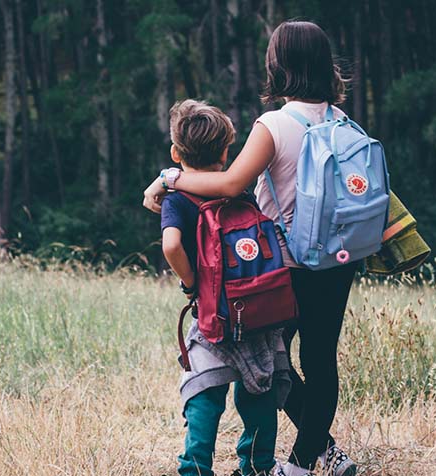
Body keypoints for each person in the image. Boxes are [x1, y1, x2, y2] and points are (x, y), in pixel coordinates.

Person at [146, 21, 360, 476]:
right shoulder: (344, 122)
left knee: (268, 366)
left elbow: (228, 183)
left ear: (278, 66)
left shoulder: (275, 125)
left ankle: (290, 458)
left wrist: (169, 178)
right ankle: (313, 457)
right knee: (320, 362)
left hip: (279, 266)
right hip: (339, 261)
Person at [160, 99, 292, 476]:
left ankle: (196, 466)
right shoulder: (236, 192)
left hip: (213, 315)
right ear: (225, 152)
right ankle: (256, 465)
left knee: (205, 390)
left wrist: (192, 282)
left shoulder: (178, 200)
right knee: (259, 388)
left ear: (175, 153)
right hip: (255, 309)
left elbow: (171, 245)